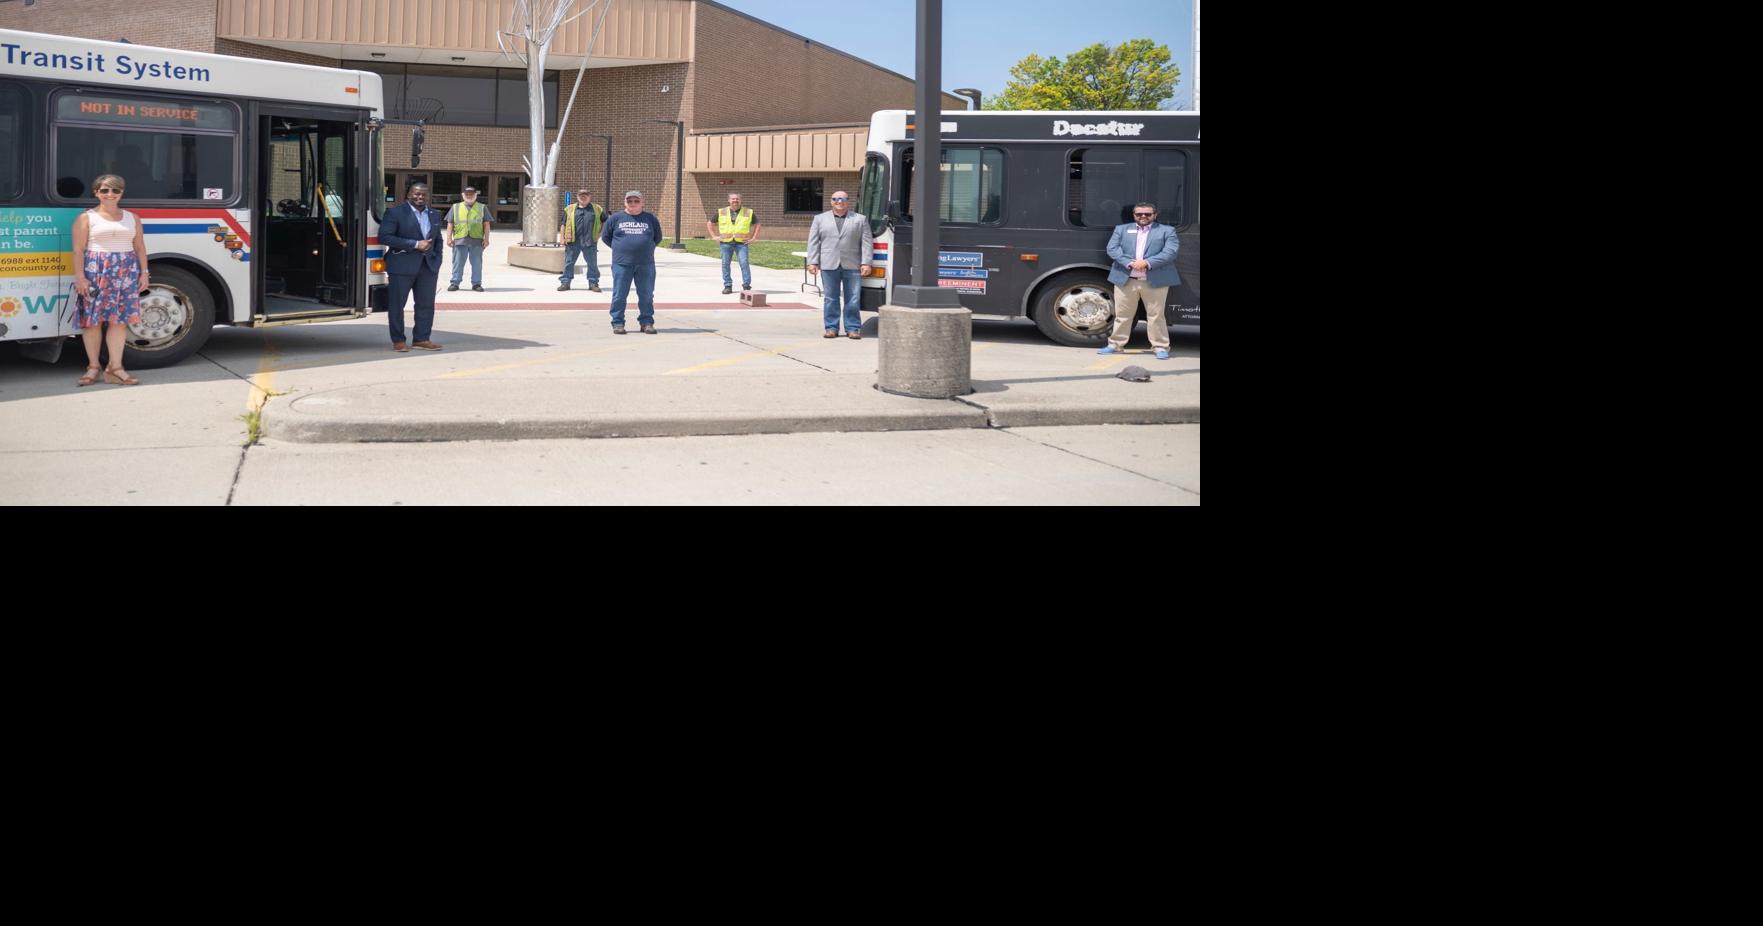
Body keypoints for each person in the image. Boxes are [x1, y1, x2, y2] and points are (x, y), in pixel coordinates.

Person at [70, 173, 147, 386]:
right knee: (92, 322)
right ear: (96, 193)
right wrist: (80, 278)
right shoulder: (86, 218)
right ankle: (93, 367)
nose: (110, 194)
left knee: (119, 322)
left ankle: (115, 368)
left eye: (115, 190)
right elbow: (78, 250)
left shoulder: (133, 218)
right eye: (104, 190)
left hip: (126, 273)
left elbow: (139, 247)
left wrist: (144, 273)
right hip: (96, 273)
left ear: (121, 193)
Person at [1098, 202, 1180, 360]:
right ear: (1134, 215)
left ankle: (1160, 347)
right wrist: (1130, 263)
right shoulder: (1121, 229)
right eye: (1139, 214)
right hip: (1126, 279)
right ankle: (1115, 344)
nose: (1143, 216)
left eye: (1148, 214)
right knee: (1122, 315)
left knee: (1156, 316)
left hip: (1156, 280)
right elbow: (1112, 249)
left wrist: (1147, 263)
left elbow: (1170, 252)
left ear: (1155, 215)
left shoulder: (1167, 231)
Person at [379, 182, 446, 351]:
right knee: (397, 305)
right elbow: (385, 237)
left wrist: (437, 260)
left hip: (428, 267)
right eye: (416, 194)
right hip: (401, 265)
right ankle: (398, 340)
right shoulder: (395, 213)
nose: (420, 197)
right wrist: (415, 244)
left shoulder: (434, 214)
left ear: (428, 196)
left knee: (426, 305)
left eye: (423, 194)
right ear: (409, 194)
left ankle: (422, 339)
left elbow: (438, 239)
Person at [805, 190, 872, 338]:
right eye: (835, 199)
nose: (839, 202)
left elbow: (867, 243)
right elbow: (813, 242)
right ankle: (831, 328)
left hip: (853, 265)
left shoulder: (860, 219)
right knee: (830, 298)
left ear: (848, 201)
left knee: (853, 298)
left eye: (842, 199)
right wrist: (812, 262)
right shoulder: (819, 219)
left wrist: (866, 263)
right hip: (829, 264)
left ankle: (853, 328)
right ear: (831, 201)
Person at [599, 190, 663, 335]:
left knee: (646, 294)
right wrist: (621, 248)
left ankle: (646, 322)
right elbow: (606, 237)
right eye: (629, 201)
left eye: (636, 201)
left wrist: (645, 247)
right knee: (619, 295)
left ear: (642, 202)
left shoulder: (650, 218)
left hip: (646, 263)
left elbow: (657, 237)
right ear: (625, 202)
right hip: (621, 264)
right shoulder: (615, 218)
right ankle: (618, 323)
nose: (633, 203)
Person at [706, 192, 761, 294]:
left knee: (744, 263)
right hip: (725, 243)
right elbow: (710, 223)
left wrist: (754, 238)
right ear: (729, 200)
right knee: (725, 264)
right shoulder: (722, 211)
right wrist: (714, 236)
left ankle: (746, 286)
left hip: (742, 243)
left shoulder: (748, 212)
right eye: (733, 199)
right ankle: (728, 286)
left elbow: (757, 224)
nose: (735, 201)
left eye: (737, 199)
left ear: (740, 200)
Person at [445, 185, 492, 292]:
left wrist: (486, 239)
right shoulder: (455, 207)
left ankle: (476, 284)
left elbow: (486, 224)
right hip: (460, 240)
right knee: (457, 263)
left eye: (472, 194)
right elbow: (450, 224)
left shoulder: (482, 207)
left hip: (477, 240)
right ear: (463, 195)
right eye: (467, 194)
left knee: (477, 264)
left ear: (476, 195)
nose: (469, 196)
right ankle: (455, 283)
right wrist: (448, 238)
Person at [557, 189, 604, 292]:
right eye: (581, 195)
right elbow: (563, 224)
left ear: (590, 196)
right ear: (577, 197)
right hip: (573, 241)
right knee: (569, 263)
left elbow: (605, 222)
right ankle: (565, 283)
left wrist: (599, 235)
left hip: (590, 241)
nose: (583, 197)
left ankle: (593, 283)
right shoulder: (569, 209)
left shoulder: (597, 209)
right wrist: (562, 238)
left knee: (592, 264)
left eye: (586, 195)